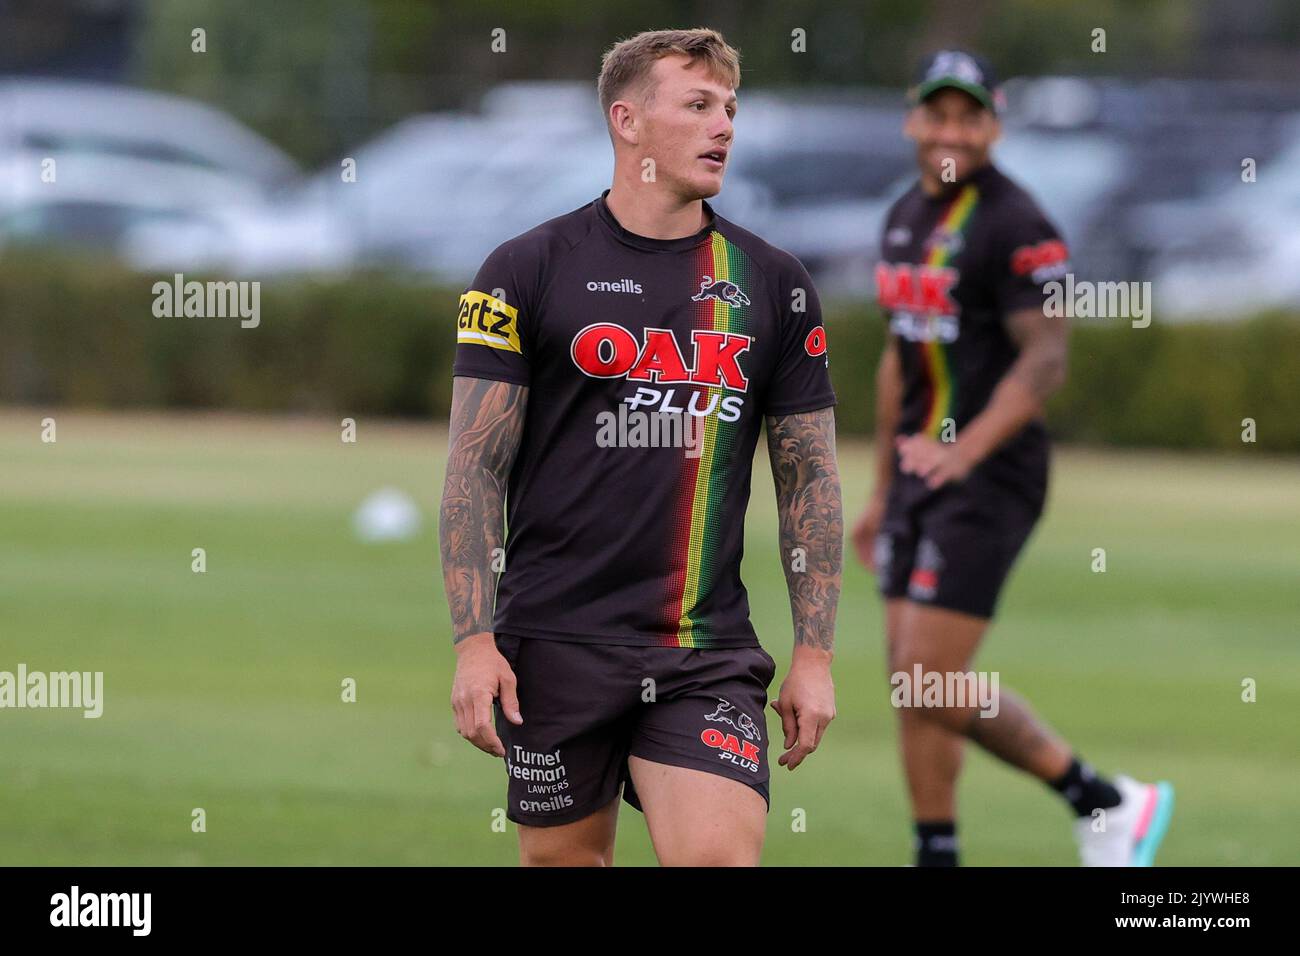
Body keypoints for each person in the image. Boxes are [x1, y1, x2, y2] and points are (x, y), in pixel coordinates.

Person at [440, 28, 841, 867]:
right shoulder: (525, 270)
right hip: (553, 645)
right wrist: (474, 641)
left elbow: (810, 479)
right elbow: (475, 464)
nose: (722, 126)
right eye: (696, 105)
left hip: (703, 653)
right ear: (626, 121)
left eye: (729, 108)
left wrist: (814, 653)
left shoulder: (773, 284)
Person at [852, 49, 1174, 866]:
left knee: (922, 675)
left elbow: (1047, 360)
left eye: (970, 116)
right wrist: (883, 488)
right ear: (912, 120)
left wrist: (967, 453)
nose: (951, 131)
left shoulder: (1018, 224)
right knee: (907, 683)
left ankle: (1102, 799)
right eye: (938, 114)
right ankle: (938, 851)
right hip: (921, 474)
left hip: (991, 477)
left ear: (994, 124)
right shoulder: (902, 216)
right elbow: (902, 358)